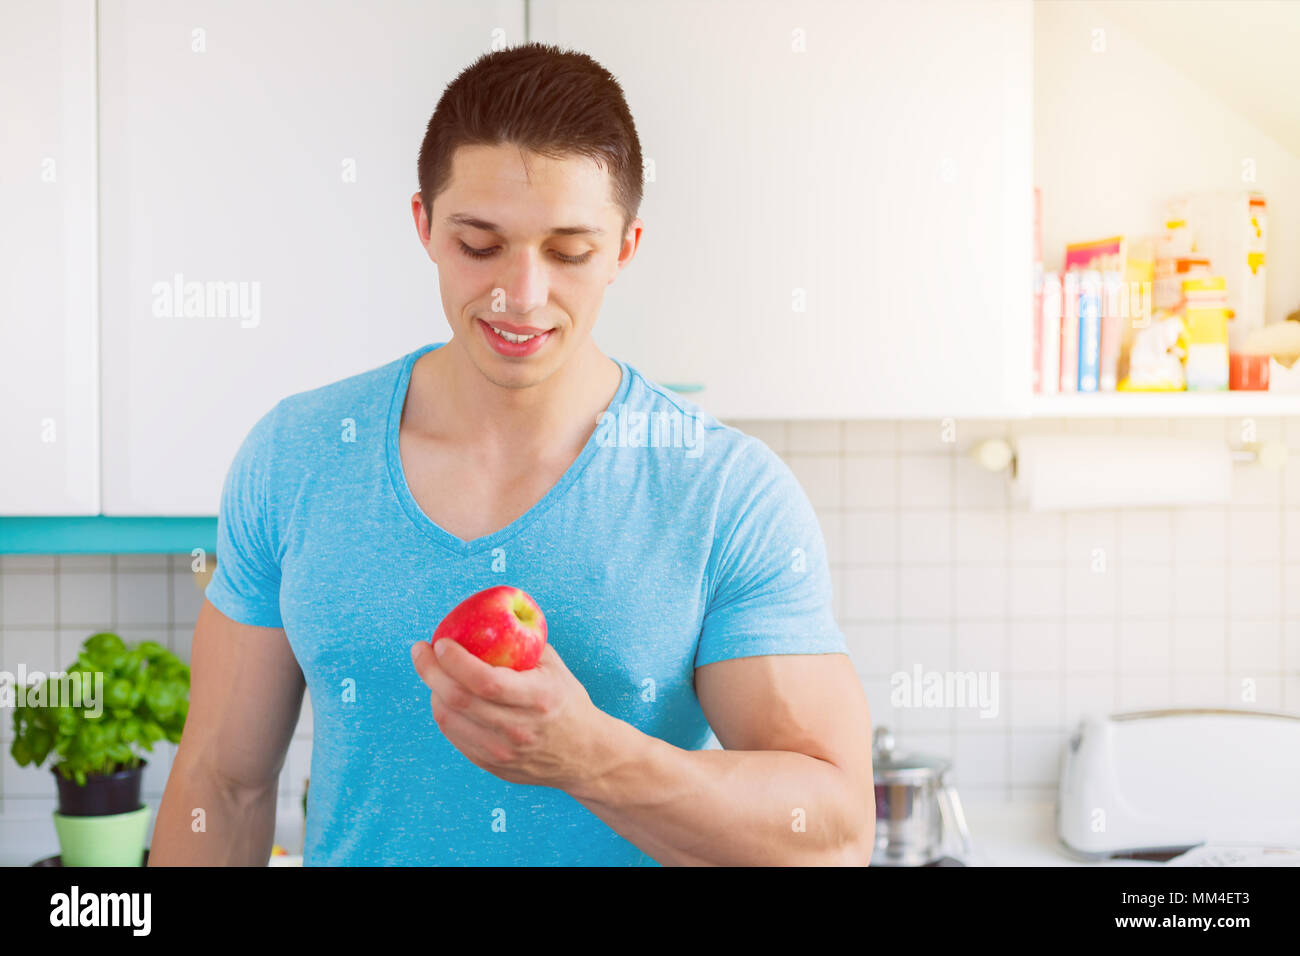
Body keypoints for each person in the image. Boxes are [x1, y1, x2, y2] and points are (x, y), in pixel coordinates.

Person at [150, 42, 874, 866]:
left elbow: (834, 836)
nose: (520, 295)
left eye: (570, 252)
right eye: (480, 245)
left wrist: (589, 757)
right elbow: (221, 784)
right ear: (423, 225)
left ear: (626, 248)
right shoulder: (298, 458)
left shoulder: (722, 493)